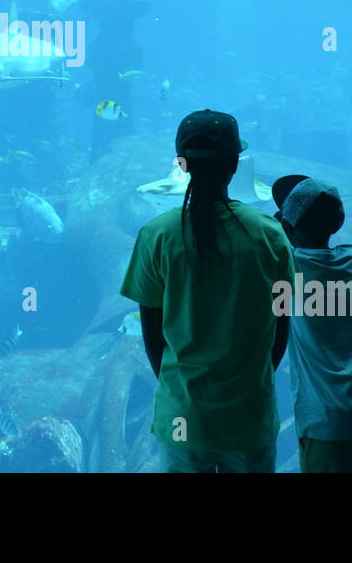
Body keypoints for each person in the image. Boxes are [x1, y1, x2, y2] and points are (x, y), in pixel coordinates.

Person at [120, 110, 293, 473]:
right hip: (249, 411)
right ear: (234, 165)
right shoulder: (269, 234)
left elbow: (152, 333)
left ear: (181, 165)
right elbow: (281, 325)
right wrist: (255, 380)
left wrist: (179, 391)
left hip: (184, 412)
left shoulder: (157, 235)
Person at [271, 175, 352, 473]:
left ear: (287, 227)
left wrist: (281, 227)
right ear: (338, 223)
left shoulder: (289, 268)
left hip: (328, 422)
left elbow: (274, 245)